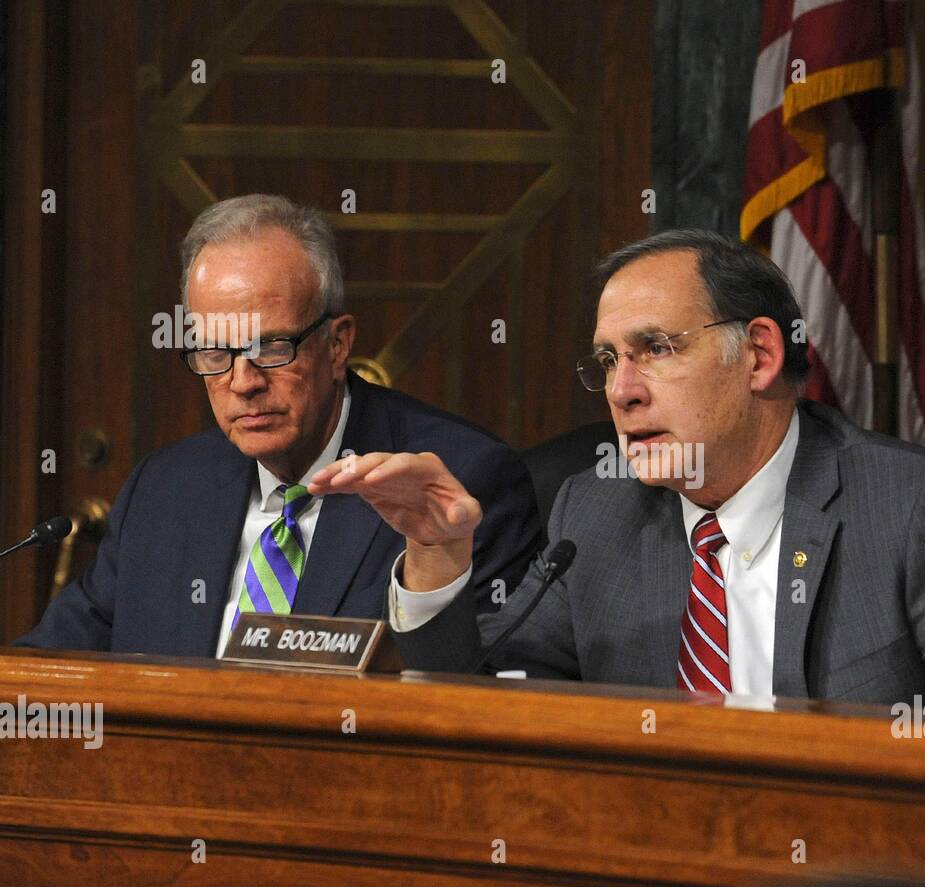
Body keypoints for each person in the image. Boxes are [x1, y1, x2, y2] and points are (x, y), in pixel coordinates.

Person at [321, 229, 925, 715]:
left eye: (656, 348)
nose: (621, 389)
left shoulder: (913, 511)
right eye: (609, 360)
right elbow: (471, 701)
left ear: (761, 355)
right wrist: (436, 555)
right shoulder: (598, 513)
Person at [15, 194, 540, 656]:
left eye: (269, 346)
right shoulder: (164, 489)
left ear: (338, 346)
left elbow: (474, 693)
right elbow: (49, 667)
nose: (242, 382)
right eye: (214, 351)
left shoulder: (456, 484)